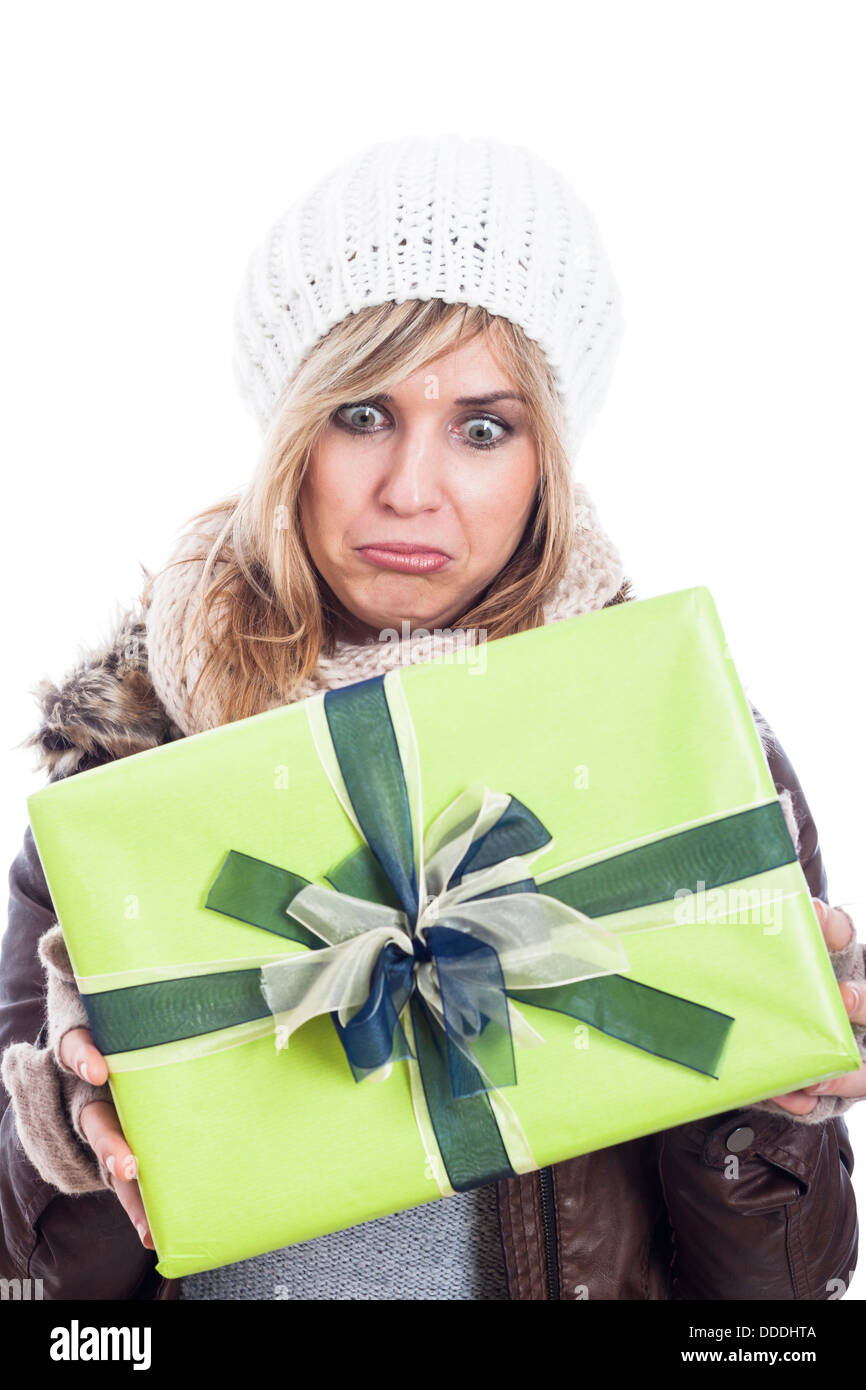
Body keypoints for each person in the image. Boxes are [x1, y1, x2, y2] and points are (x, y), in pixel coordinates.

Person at [1, 134, 864, 1301]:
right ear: (292, 431)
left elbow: (770, 1310)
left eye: (480, 426)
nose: (410, 487)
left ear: (544, 454)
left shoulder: (691, 754)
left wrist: (766, 1106)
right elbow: (50, 1299)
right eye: (361, 412)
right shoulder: (121, 777)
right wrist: (68, 1135)